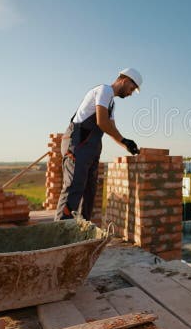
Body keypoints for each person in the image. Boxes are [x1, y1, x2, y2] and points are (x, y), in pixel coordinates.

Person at [56, 68, 143, 221]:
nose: (130, 93)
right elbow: (102, 122)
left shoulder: (111, 104)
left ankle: (81, 234)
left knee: (89, 193)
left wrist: (127, 145)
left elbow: (112, 128)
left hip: (90, 148)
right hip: (77, 143)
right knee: (74, 189)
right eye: (131, 89)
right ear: (125, 80)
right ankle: (60, 234)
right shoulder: (104, 91)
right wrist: (124, 140)